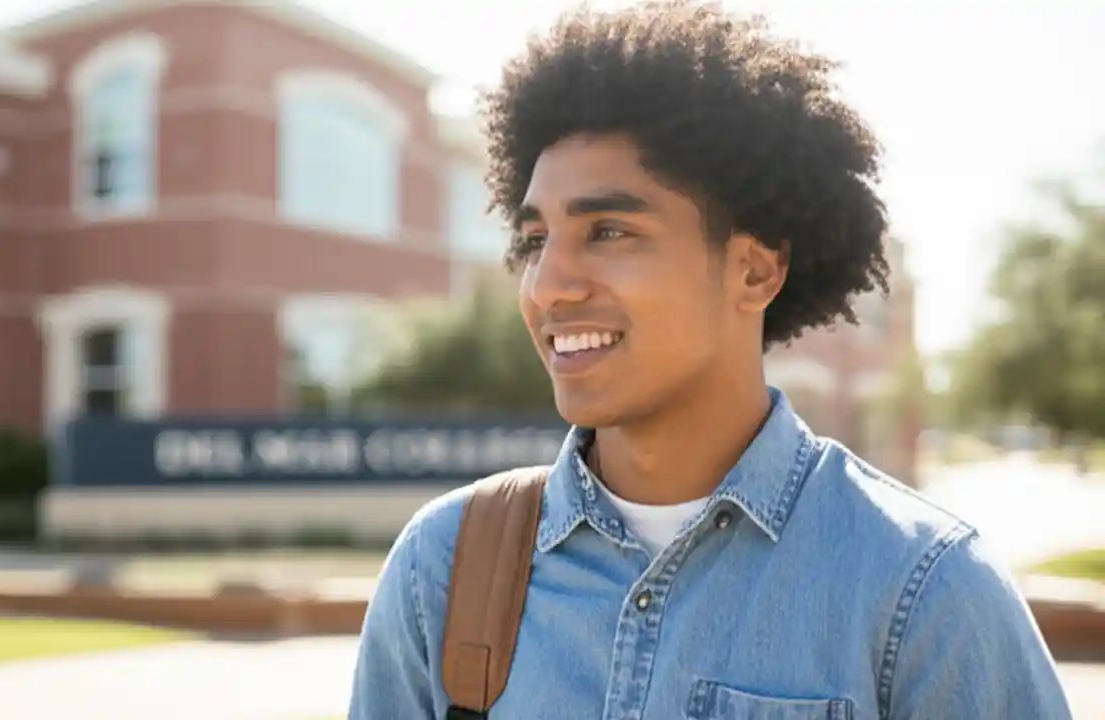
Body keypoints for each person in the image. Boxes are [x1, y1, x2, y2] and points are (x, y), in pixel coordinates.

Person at [349, 1, 1072, 717]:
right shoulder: (441, 569)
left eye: (607, 231)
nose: (549, 285)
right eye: (537, 239)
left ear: (755, 271)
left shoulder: (925, 589)